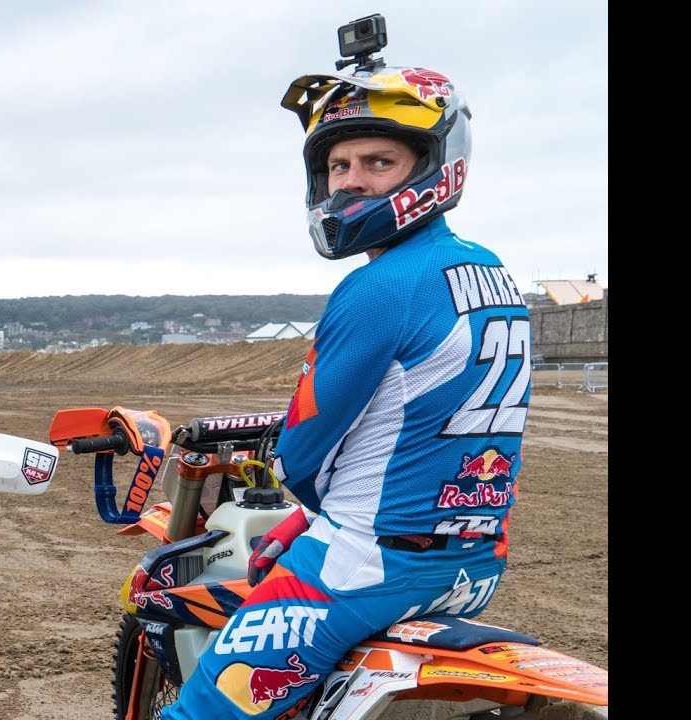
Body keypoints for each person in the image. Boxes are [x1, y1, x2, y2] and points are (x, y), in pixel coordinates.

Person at [163, 47, 531, 720]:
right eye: (338, 165)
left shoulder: (378, 288)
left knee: (196, 714)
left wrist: (308, 506)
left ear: (432, 166)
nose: (350, 182)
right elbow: (423, 434)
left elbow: (302, 456)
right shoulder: (491, 272)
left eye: (378, 162)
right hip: (474, 564)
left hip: (367, 569)